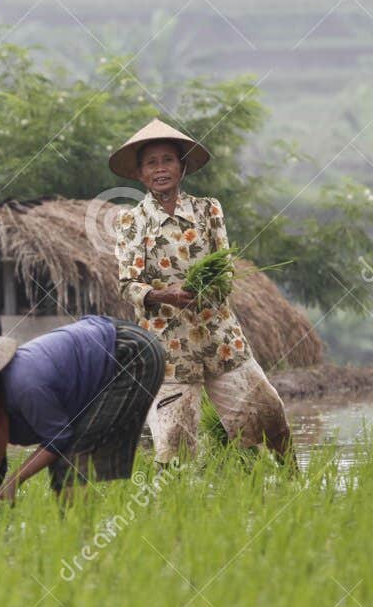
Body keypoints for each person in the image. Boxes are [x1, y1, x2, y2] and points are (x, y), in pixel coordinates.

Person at [109, 118, 291, 463]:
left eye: (167, 160)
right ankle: (174, 504)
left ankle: (294, 482)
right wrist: (165, 295)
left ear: (182, 167)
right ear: (139, 174)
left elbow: (224, 268)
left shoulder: (209, 209)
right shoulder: (130, 222)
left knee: (267, 413)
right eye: (151, 163)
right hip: (168, 347)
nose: (160, 169)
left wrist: (204, 288)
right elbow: (128, 285)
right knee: (175, 440)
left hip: (219, 336)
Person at [0, 315, 165, 504]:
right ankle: (77, 533)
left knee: (72, 457)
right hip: (109, 351)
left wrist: (14, 482)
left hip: (131, 353)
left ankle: (83, 538)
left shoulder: (25, 384)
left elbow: (58, 438)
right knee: (68, 460)